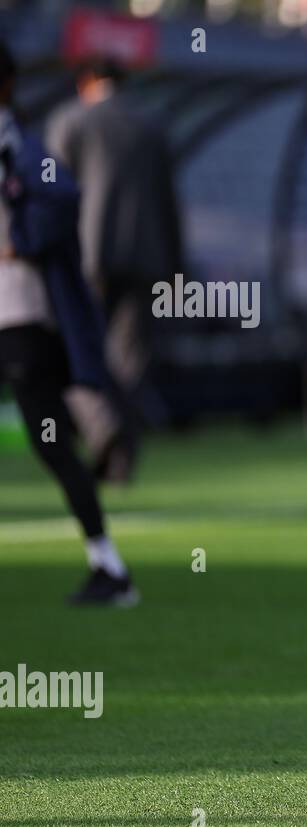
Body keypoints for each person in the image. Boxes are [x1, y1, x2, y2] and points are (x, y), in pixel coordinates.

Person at [0, 40, 136, 606]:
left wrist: (19, 240)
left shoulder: (14, 142)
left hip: (20, 315)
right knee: (50, 438)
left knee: (48, 439)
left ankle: (109, 565)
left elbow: (61, 194)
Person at [44, 56, 184, 482]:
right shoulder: (152, 125)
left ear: (87, 81)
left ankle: (103, 428)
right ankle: (121, 464)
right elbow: (169, 202)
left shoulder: (70, 120)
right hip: (146, 260)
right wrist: (176, 266)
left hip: (85, 258)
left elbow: (51, 194)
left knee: (74, 349)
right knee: (130, 362)